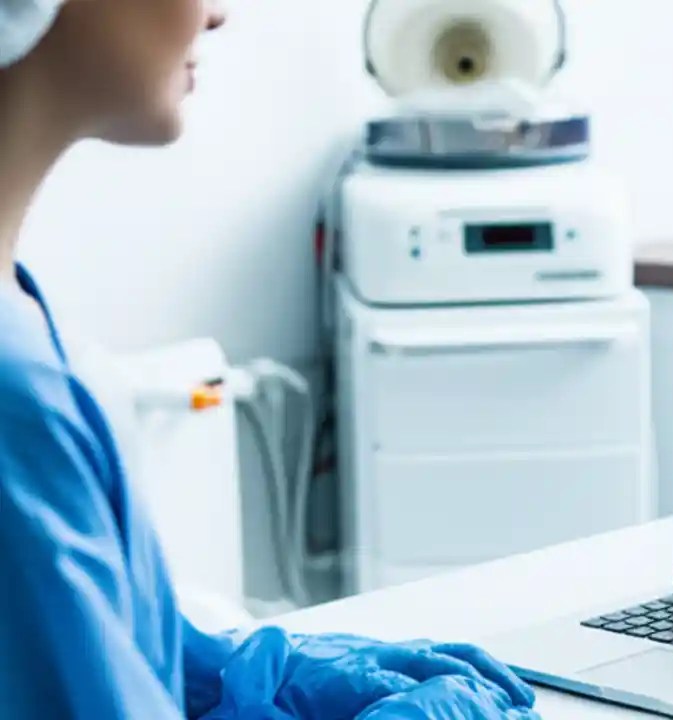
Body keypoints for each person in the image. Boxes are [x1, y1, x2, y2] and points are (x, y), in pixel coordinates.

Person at [0, 1, 539, 718]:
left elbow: (103, 643)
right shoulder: (17, 410)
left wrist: (250, 671)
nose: (218, 14)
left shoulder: (22, 318)